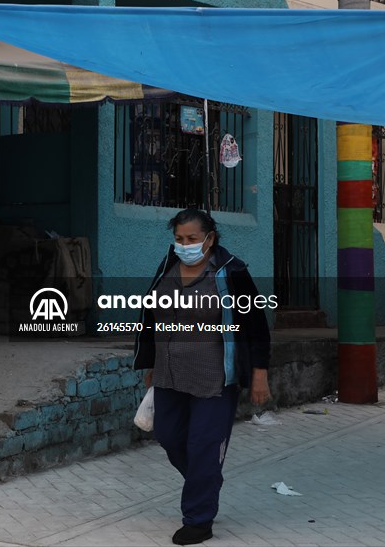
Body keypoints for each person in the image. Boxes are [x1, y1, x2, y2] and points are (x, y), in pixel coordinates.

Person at [134, 208, 271, 546]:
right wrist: (152, 363)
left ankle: (198, 520)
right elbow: (154, 319)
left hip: (214, 379)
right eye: (179, 239)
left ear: (210, 239)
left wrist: (259, 372)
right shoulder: (167, 268)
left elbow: (256, 326)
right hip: (169, 375)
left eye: (192, 239)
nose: (185, 245)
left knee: (203, 447)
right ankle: (206, 480)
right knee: (168, 436)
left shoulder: (231, 272)